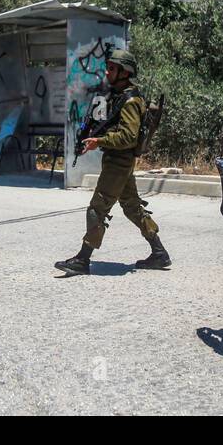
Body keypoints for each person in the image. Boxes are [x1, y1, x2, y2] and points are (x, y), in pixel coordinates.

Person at [54, 48, 170, 275]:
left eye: (112, 68)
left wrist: (100, 141)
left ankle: (82, 259)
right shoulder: (118, 96)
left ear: (125, 72)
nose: (107, 72)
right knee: (132, 206)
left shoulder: (130, 101)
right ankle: (159, 253)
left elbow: (128, 136)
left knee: (97, 208)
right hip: (118, 160)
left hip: (119, 160)